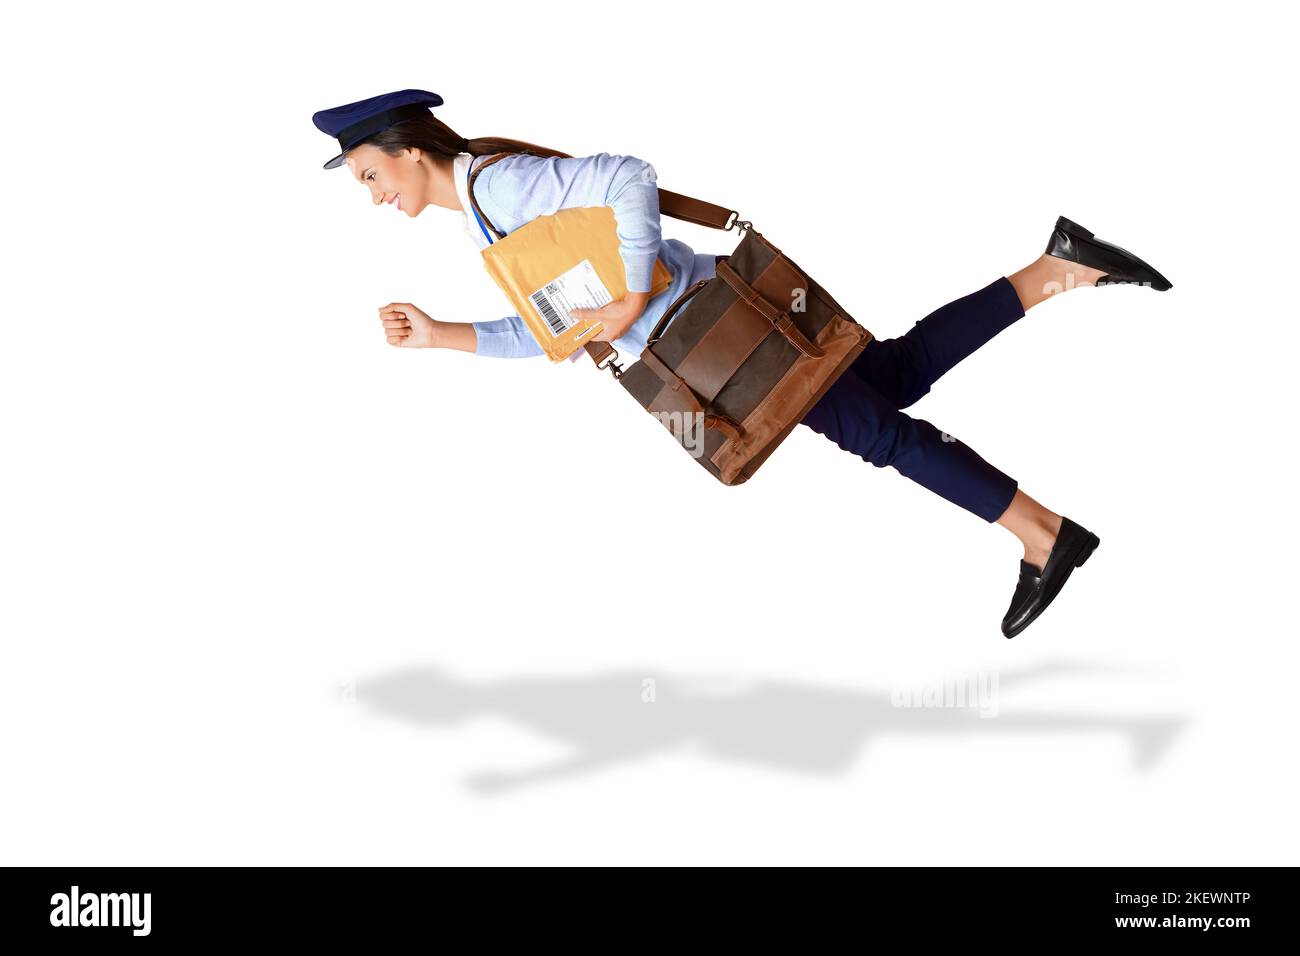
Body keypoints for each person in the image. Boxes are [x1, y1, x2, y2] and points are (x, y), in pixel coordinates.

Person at [312, 89, 1173, 638]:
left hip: (713, 336)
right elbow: (556, 332)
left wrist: (625, 297)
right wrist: (441, 334)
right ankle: (1062, 264)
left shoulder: (496, 190)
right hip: (711, 335)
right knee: (897, 376)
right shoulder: (485, 215)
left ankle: (1044, 535)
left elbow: (628, 177)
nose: (373, 193)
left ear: (407, 150)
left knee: (881, 436)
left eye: (367, 173)